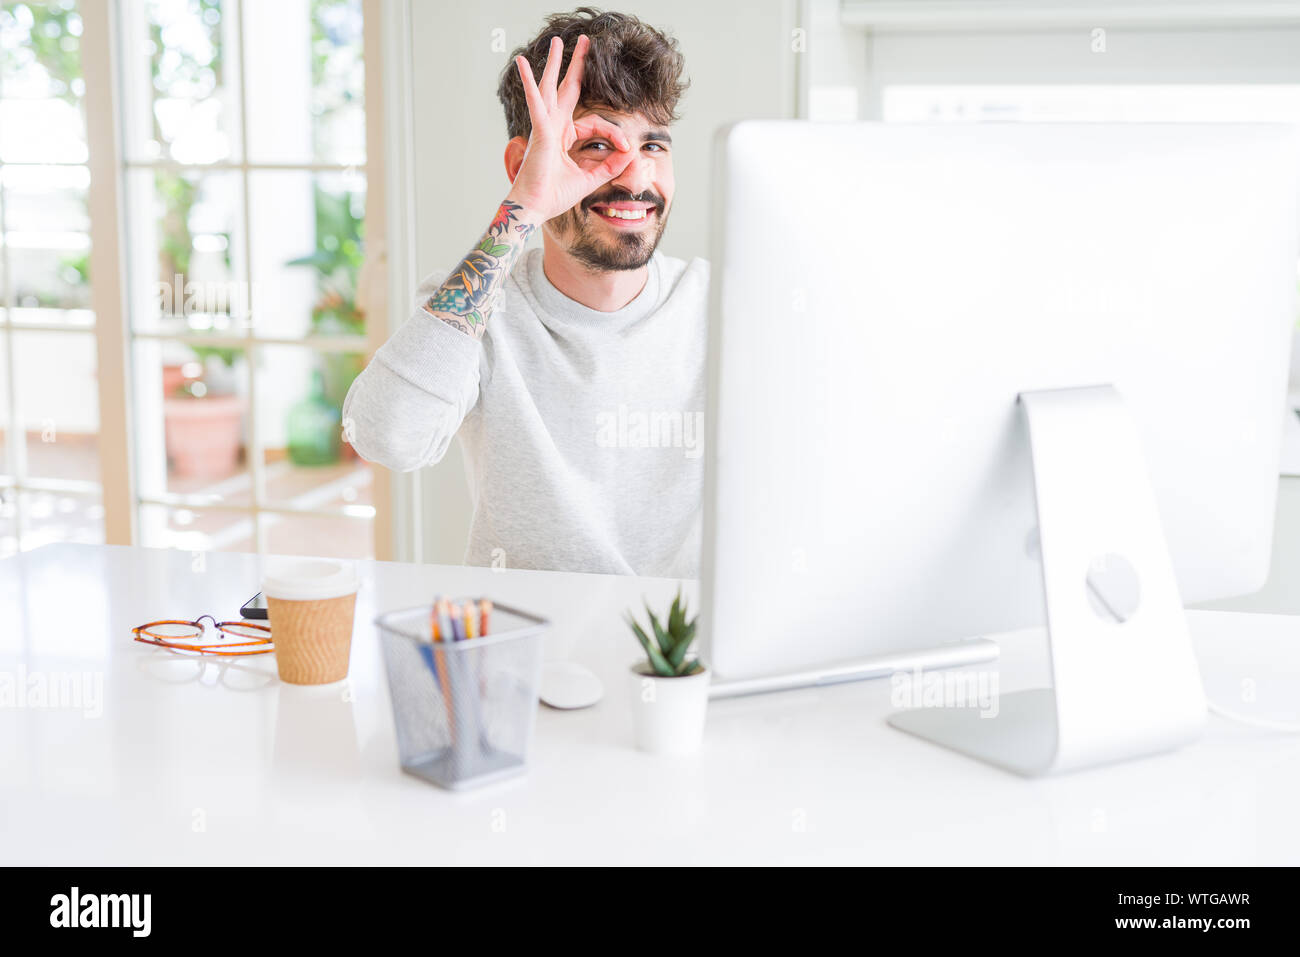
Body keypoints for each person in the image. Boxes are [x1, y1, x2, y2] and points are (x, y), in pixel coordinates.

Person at [343, 8, 707, 577]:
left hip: (681, 657)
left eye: (653, 146)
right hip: (524, 646)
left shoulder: (721, 304)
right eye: (594, 146)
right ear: (522, 163)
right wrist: (521, 210)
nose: (635, 179)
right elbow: (386, 437)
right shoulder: (474, 306)